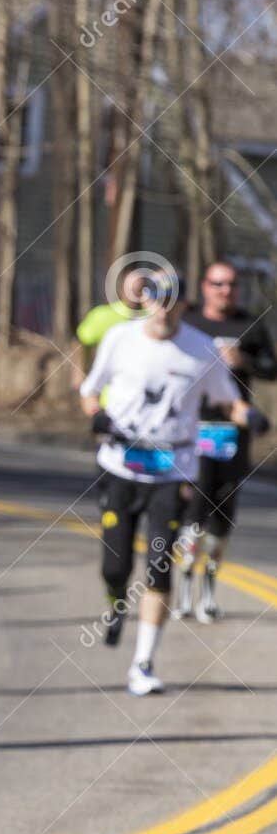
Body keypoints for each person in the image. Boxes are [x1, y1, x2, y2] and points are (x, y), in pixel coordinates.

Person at [80, 271, 253, 696]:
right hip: (120, 465)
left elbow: (230, 401)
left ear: (183, 304)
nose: (163, 306)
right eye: (156, 297)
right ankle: (116, 599)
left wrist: (252, 417)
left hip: (174, 470)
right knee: (115, 566)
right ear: (147, 300)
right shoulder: (120, 338)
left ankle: (143, 663)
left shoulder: (200, 348)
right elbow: (89, 390)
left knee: (159, 567)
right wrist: (97, 417)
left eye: (172, 299)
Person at [176, 261, 277, 620]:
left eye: (231, 284)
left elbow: (272, 368)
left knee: (222, 514)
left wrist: (243, 361)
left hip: (232, 432)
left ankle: (209, 590)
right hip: (193, 429)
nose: (225, 290)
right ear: (204, 286)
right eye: (217, 283)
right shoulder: (188, 323)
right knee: (193, 512)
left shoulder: (248, 324)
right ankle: (185, 585)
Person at [74, 265, 150, 387]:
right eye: (132, 289)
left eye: (140, 289)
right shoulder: (102, 315)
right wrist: (78, 374)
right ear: (121, 289)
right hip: (107, 394)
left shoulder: (154, 318)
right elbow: (82, 343)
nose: (136, 294)